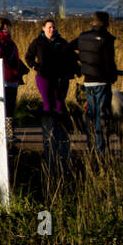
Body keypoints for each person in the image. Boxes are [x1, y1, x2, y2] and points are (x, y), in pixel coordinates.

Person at [25, 18, 77, 170]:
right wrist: (35, 66)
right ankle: (49, 134)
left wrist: (72, 69)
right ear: (43, 28)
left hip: (59, 77)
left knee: (60, 104)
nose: (51, 29)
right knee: (48, 103)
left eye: (53, 27)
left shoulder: (61, 42)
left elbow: (71, 56)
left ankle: (62, 133)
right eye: (49, 27)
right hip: (43, 76)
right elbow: (28, 56)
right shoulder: (38, 42)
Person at [71, 11, 118, 154]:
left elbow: (66, 48)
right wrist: (112, 76)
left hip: (88, 81)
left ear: (93, 22)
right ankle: (100, 148)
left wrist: (81, 62)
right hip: (102, 81)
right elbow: (109, 62)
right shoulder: (106, 39)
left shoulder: (83, 37)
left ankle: (91, 144)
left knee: (90, 113)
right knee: (101, 114)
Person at [0, 17, 29, 142]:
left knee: (10, 106)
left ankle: (9, 132)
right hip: (5, 77)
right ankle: (4, 133)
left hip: (12, 77)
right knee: (5, 107)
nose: (10, 28)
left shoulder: (6, 40)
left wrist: (20, 68)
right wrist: (12, 69)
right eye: (9, 25)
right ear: (5, 26)